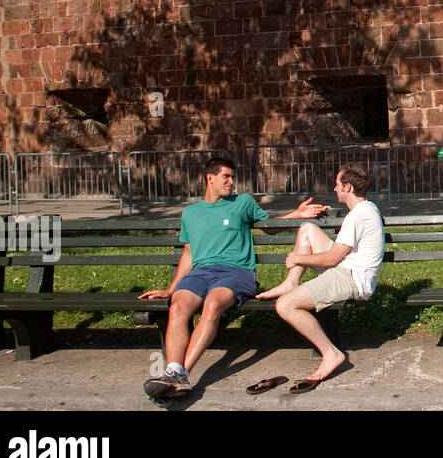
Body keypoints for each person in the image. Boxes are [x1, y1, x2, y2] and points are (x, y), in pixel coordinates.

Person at [139, 156, 328, 403]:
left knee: (213, 304)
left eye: (232, 177)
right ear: (210, 178)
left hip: (236, 273)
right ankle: (173, 373)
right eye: (225, 177)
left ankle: (179, 375)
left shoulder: (242, 202)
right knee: (177, 305)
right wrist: (171, 288)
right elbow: (188, 252)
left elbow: (269, 226)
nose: (231, 182)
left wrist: (296, 214)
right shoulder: (191, 213)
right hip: (200, 273)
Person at [256, 164, 385, 391]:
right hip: (346, 268)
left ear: (348, 187)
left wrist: (298, 259)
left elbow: (331, 259)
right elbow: (337, 254)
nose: (334, 189)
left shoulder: (358, 216)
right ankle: (290, 282)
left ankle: (331, 353)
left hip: (351, 278)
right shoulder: (365, 209)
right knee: (307, 228)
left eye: (337, 184)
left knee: (285, 305)